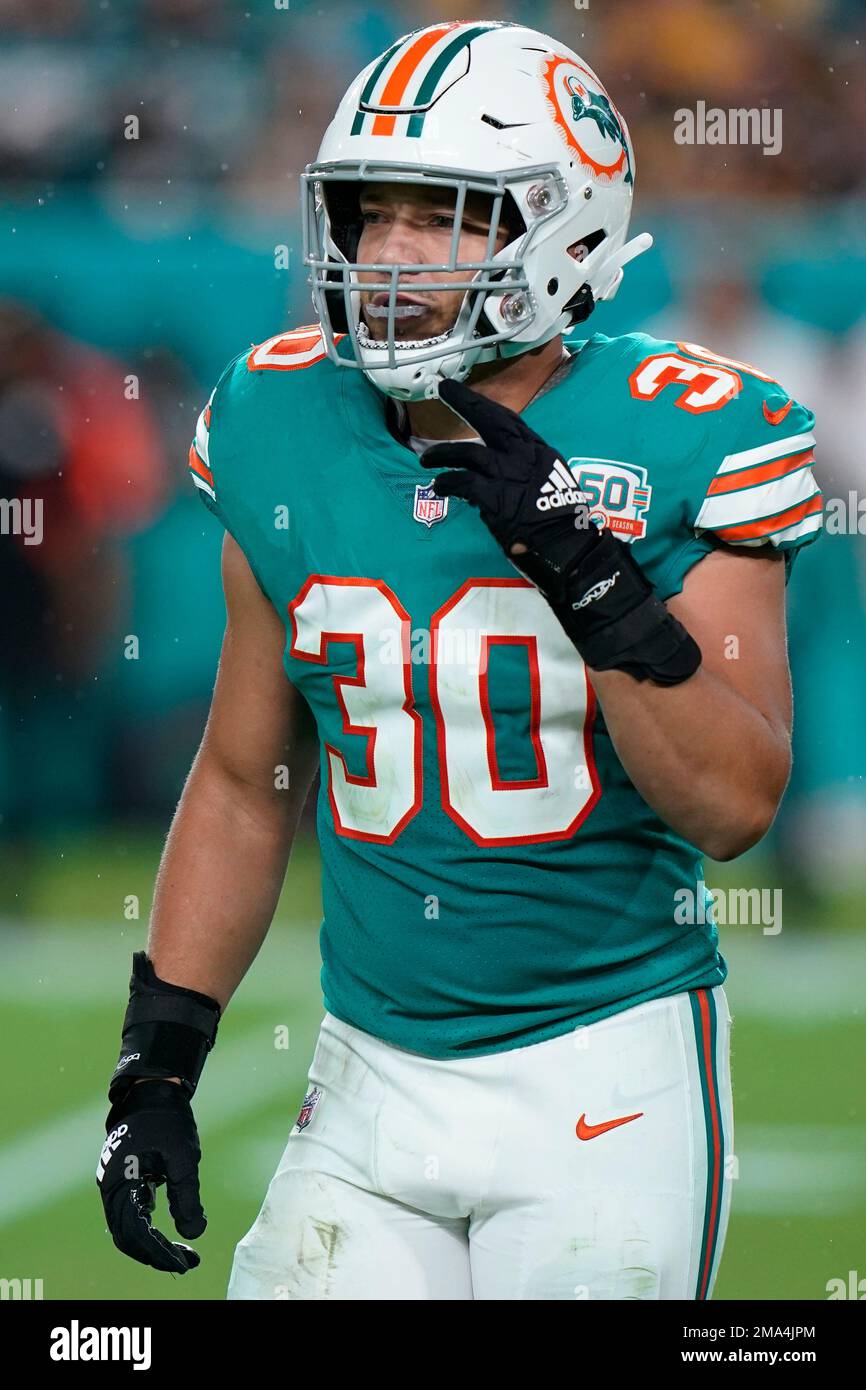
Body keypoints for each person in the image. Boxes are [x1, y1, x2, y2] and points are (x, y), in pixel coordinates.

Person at [96, 20, 823, 1300]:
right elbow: (239, 779)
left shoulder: (690, 431)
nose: (385, 257)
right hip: (366, 1072)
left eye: (439, 219)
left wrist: (590, 576)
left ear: (566, 229)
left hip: (604, 1078)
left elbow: (732, 805)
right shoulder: (278, 414)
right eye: (367, 218)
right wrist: (159, 1056)